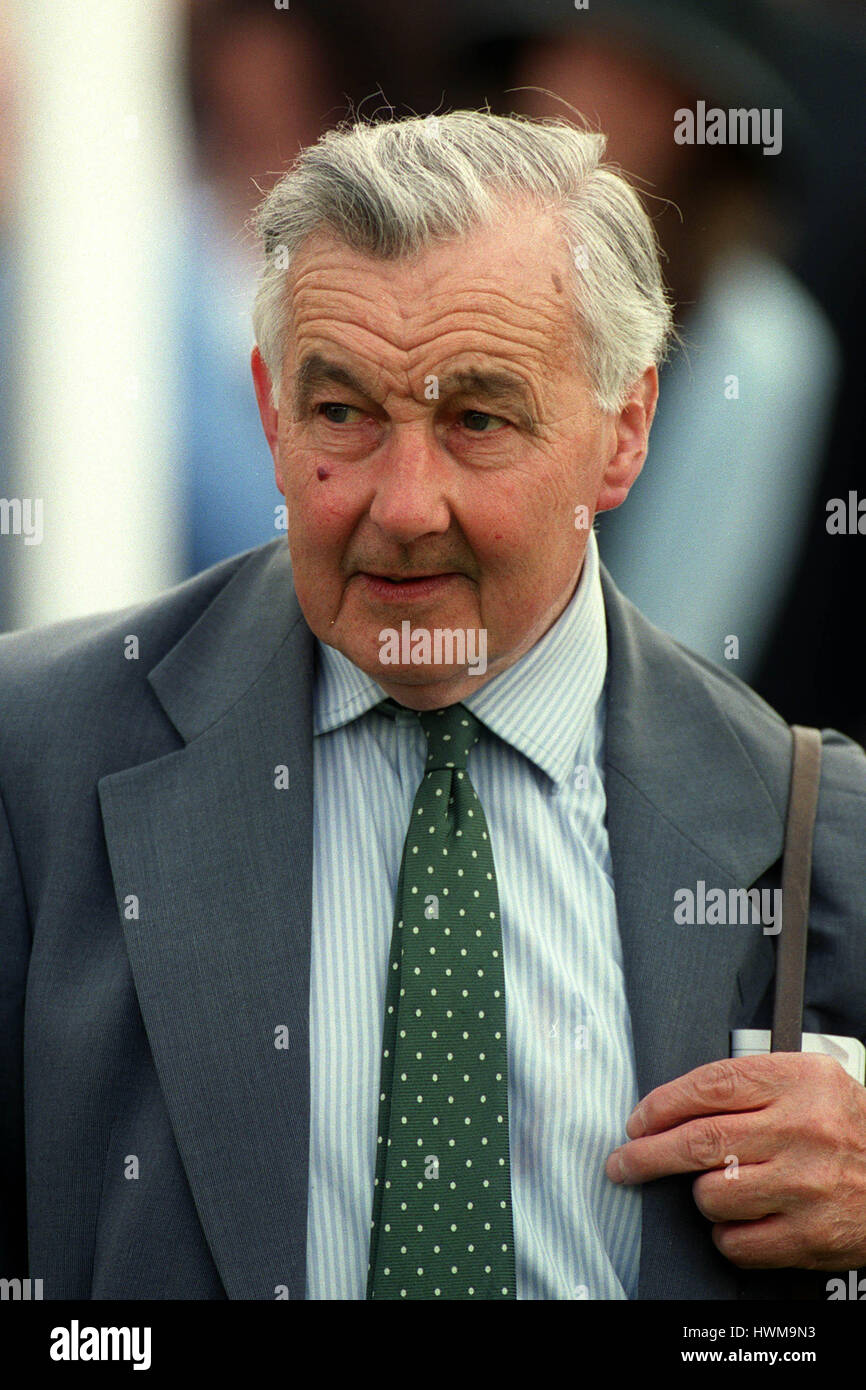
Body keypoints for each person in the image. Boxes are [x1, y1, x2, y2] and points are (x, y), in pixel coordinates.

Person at [1, 111, 865, 1302]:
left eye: (475, 419)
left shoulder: (811, 824)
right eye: (344, 413)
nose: (403, 505)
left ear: (623, 433)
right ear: (269, 407)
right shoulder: (33, 757)